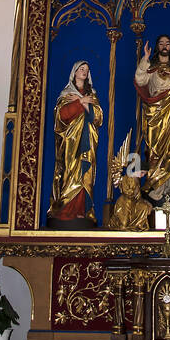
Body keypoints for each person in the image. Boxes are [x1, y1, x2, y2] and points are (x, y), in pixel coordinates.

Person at [134, 35, 170, 199]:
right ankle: (156, 188)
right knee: (155, 152)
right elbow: (140, 81)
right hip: (154, 114)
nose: (164, 46)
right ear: (157, 47)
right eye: (161, 43)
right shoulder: (151, 68)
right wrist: (145, 59)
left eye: (167, 43)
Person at [48, 61, 102, 224]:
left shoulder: (91, 94)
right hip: (71, 142)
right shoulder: (66, 93)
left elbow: (97, 118)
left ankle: (82, 211)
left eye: (87, 69)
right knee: (70, 173)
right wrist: (80, 102)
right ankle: (65, 209)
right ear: (74, 72)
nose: (84, 72)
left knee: (84, 175)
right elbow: (62, 116)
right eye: (81, 69)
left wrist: (83, 101)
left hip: (88, 140)